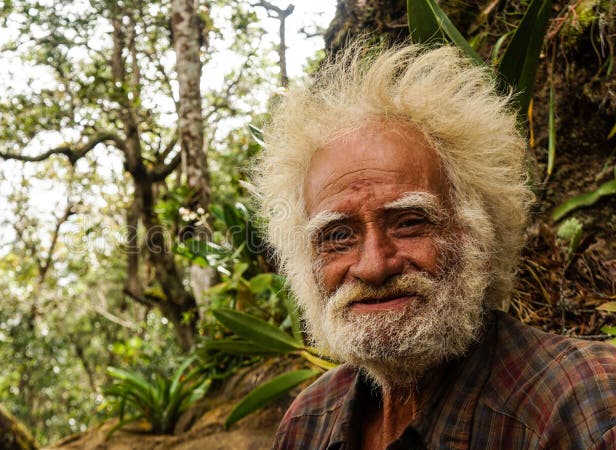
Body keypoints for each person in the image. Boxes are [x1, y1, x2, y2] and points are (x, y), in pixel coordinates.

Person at [254, 41, 616, 449]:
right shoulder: (307, 422)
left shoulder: (588, 407)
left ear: (477, 235)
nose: (374, 266)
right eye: (338, 236)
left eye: (410, 223)